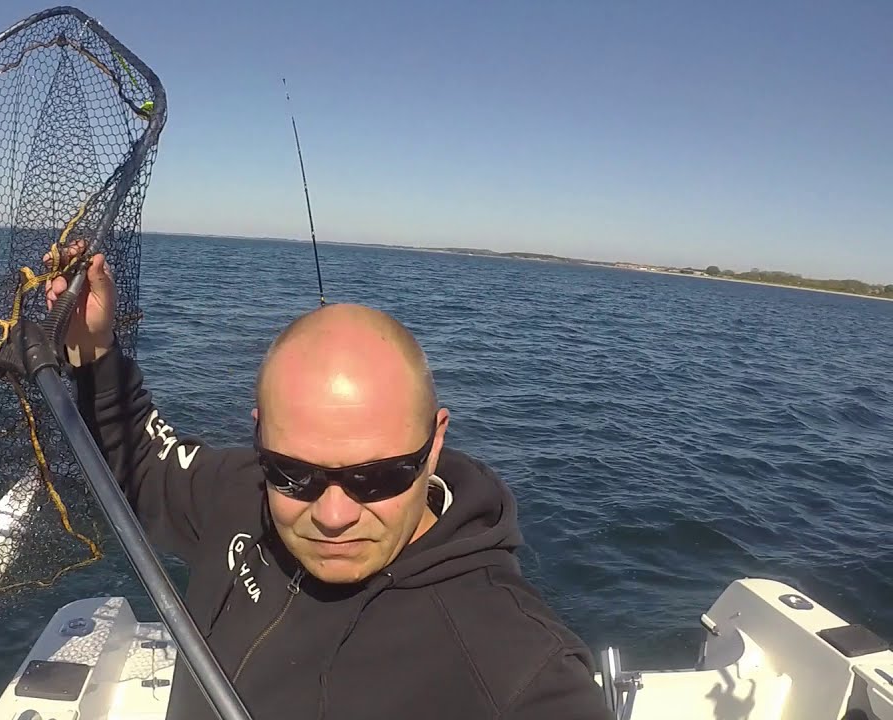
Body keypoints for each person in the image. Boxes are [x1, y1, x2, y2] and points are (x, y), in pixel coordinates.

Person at [49, 252, 613, 720]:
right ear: (260, 440)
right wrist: (94, 353)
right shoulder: (242, 490)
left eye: (378, 477)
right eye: (296, 473)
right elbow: (146, 466)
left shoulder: (515, 667)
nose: (333, 515)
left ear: (434, 444)